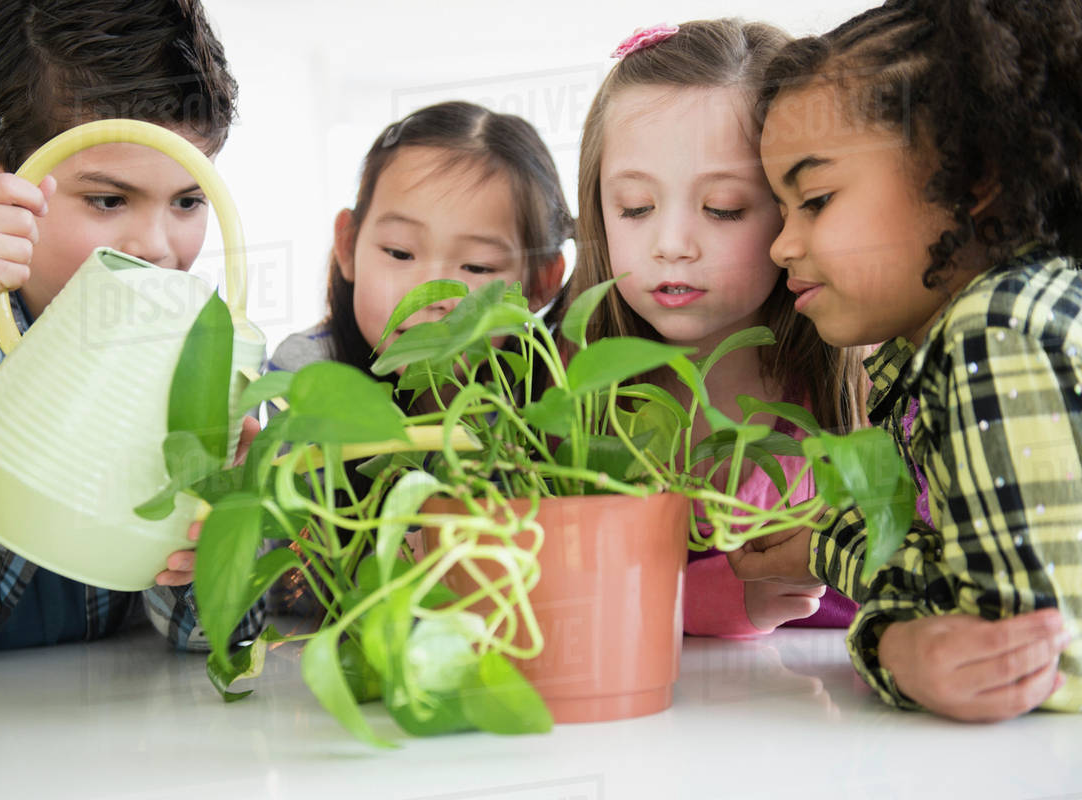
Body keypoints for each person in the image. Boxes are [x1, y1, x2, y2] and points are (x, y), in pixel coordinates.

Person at [732, 0, 1082, 721]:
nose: (781, 245)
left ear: (970, 179)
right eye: (780, 207)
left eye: (817, 199)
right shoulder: (1010, 316)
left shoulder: (998, 330)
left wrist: (877, 624)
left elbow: (1025, 654)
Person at [0, 0, 260, 667]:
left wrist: (223, 527)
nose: (159, 247)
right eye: (109, 200)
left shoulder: (200, 349)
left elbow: (213, 636)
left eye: (188, 201)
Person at [569, 20, 870, 637]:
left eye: (723, 208)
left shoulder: (870, 397)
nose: (672, 244)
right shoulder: (560, 394)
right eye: (635, 208)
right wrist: (700, 600)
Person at [265, 100, 573, 615]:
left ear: (541, 281)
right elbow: (289, 581)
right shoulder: (311, 374)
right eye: (400, 253)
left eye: (476, 265)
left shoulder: (548, 392)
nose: (432, 293)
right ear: (348, 245)